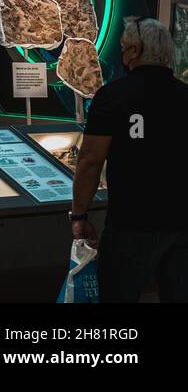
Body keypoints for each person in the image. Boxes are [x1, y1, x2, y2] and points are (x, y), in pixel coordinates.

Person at [71, 16, 188, 301]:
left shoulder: (112, 96)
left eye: (124, 48)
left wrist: (80, 215)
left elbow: (90, 160)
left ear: (135, 52)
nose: (122, 55)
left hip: (130, 225)